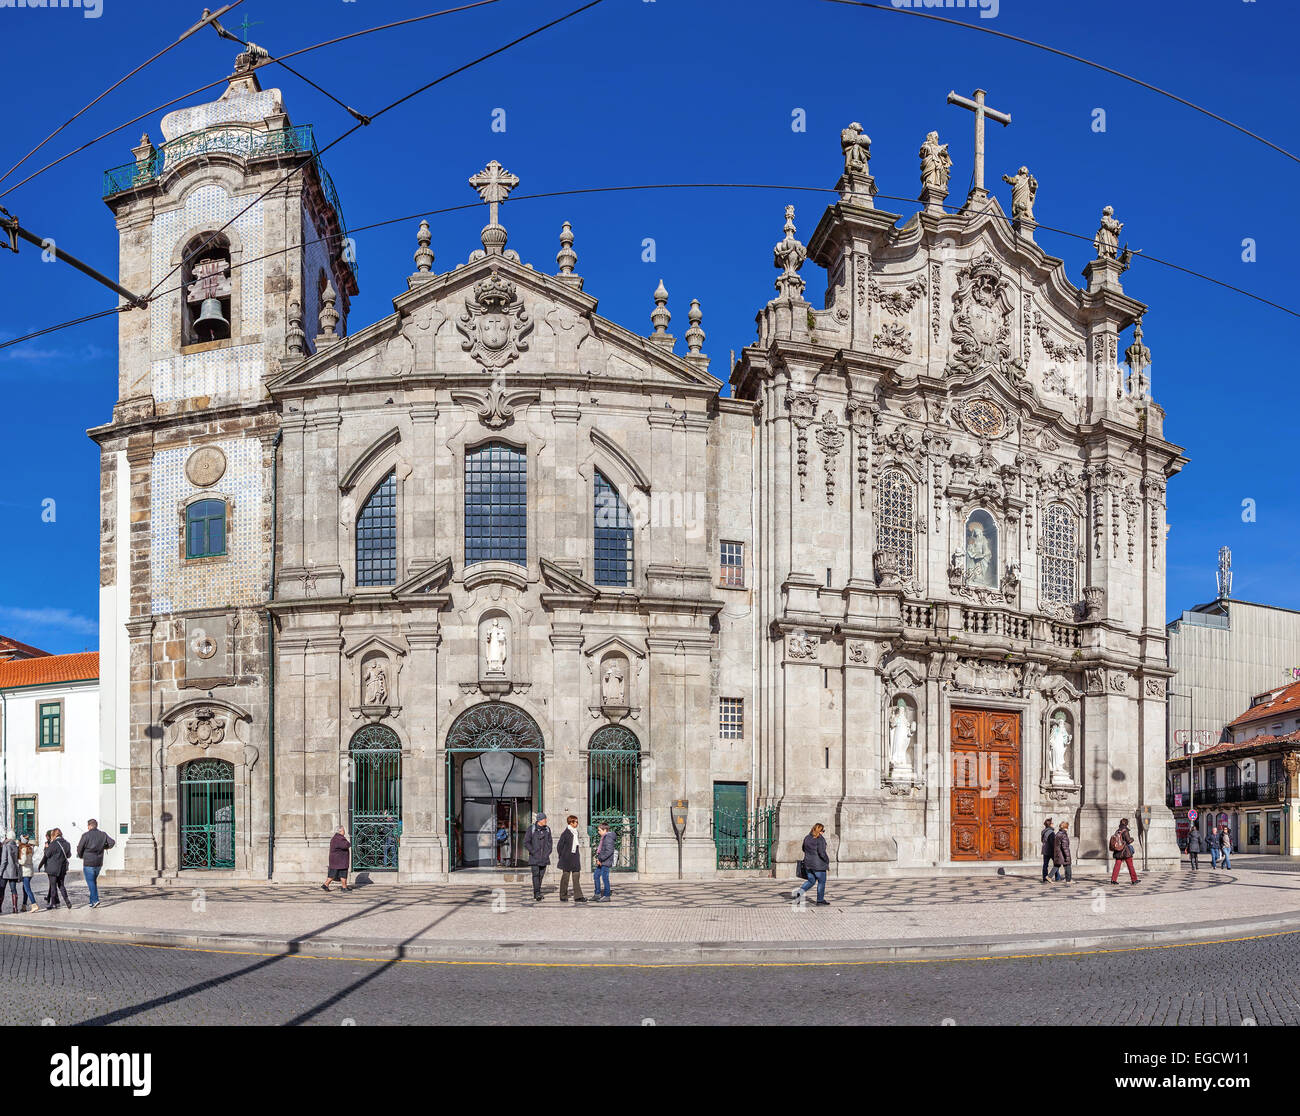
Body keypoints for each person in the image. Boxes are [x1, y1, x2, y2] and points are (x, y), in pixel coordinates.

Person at [76, 818, 116, 908]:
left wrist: (81, 856)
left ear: (89, 826)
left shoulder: (85, 835)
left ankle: (95, 900)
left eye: (88, 825)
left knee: (90, 882)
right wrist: (104, 846)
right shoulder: (103, 834)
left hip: (88, 862)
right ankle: (91, 901)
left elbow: (80, 848)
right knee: (93, 881)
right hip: (99, 862)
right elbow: (112, 842)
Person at [792, 823, 831, 905]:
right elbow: (822, 853)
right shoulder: (820, 839)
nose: (823, 832)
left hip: (808, 864)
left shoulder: (807, 838)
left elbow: (803, 849)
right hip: (818, 865)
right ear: (819, 831)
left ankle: (799, 893)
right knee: (821, 882)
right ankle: (820, 900)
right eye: (822, 831)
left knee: (811, 881)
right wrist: (827, 860)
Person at [38, 829, 72, 910]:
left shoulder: (53, 844)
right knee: (61, 885)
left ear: (54, 835)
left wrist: (46, 848)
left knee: (53, 886)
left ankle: (53, 904)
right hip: (62, 868)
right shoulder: (67, 844)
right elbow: (69, 855)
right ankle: (67, 902)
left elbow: (47, 854)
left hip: (52, 868)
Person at [556, 815, 586, 903]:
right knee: (565, 877)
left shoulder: (575, 832)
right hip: (567, 859)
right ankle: (563, 895)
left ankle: (578, 896)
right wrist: (563, 856)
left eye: (577, 821)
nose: (577, 823)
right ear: (571, 822)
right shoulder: (565, 833)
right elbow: (559, 846)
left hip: (575, 858)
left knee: (576, 877)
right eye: (576, 822)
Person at [523, 812, 553, 902]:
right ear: (540, 820)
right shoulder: (531, 829)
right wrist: (533, 851)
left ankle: (538, 891)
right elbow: (526, 842)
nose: (546, 820)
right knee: (536, 875)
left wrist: (548, 852)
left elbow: (550, 842)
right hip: (534, 857)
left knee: (541, 876)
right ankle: (537, 893)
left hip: (544, 857)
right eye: (544, 819)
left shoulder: (547, 829)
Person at [1110, 817, 1138, 884]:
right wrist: (1132, 839)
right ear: (1126, 823)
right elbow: (1128, 841)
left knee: (1117, 865)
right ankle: (1134, 880)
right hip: (1125, 851)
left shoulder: (1117, 831)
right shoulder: (1125, 831)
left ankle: (1113, 880)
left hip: (1118, 851)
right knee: (1130, 865)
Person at [592, 822, 615, 903]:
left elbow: (609, 851)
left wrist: (600, 859)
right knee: (596, 876)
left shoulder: (608, 838)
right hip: (602, 860)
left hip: (605, 861)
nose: (598, 832)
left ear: (605, 830)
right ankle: (597, 894)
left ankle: (607, 895)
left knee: (605, 878)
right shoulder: (604, 837)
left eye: (599, 830)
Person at [323, 826, 351, 891]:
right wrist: (348, 843)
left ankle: (326, 885)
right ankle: (343, 887)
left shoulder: (335, 837)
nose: (345, 831)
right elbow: (346, 845)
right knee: (342, 873)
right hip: (340, 860)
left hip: (336, 860)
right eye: (344, 830)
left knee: (334, 874)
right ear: (340, 831)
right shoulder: (340, 838)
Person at [0, 831, 21, 912]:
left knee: (2, 890)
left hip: (5, 872)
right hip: (13, 872)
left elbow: (4, 860)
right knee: (13, 889)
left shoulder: (6, 846)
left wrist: (0, 871)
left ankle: (0, 907)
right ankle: (15, 908)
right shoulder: (16, 846)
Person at [18, 836, 37, 912]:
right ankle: (24, 906)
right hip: (30, 871)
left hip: (25, 872)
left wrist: (18, 861)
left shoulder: (23, 849)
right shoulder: (30, 848)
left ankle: (34, 904)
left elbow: (23, 861)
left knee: (27, 889)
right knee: (24, 889)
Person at [1040, 818, 1055, 883]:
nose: (1053, 824)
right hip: (1050, 850)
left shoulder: (1043, 831)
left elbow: (1042, 840)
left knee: (1045, 865)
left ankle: (1044, 878)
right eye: (1052, 823)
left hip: (1045, 850)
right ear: (1050, 824)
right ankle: (1057, 877)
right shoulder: (1051, 833)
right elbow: (1053, 843)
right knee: (1056, 864)